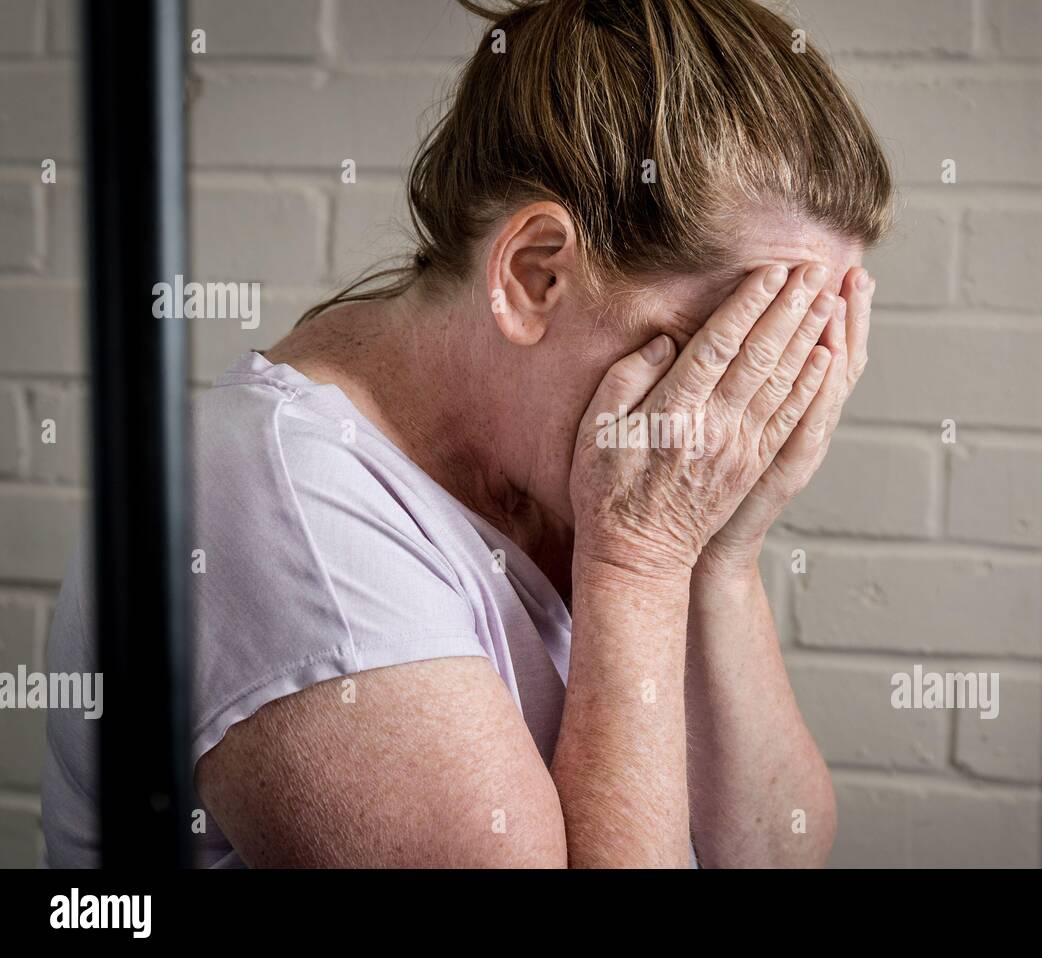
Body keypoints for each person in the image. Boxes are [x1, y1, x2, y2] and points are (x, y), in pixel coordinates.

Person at [43, 0, 891, 868]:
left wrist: (721, 553)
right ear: (535, 276)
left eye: (790, 355)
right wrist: (640, 563)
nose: (735, 417)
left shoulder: (602, 478)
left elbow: (775, 854)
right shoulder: (278, 502)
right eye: (726, 346)